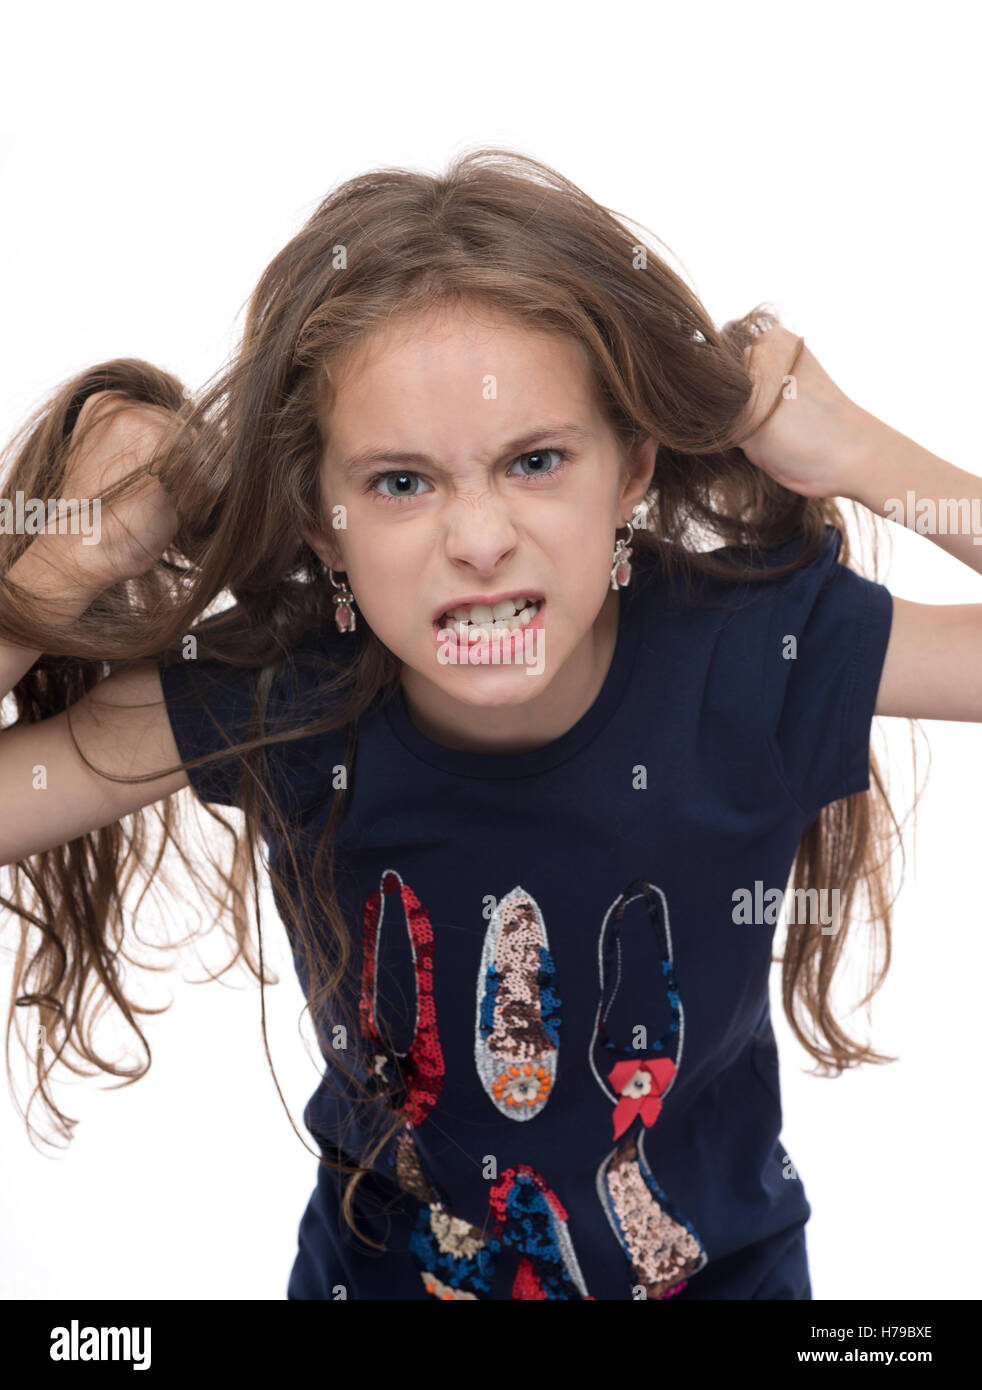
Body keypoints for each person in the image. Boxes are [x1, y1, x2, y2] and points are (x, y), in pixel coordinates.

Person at [1, 148, 975, 1301]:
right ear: (324, 526)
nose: (477, 538)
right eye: (402, 483)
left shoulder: (743, 657)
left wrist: (871, 460)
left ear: (632, 472)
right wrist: (63, 577)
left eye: (536, 461)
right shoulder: (291, 692)